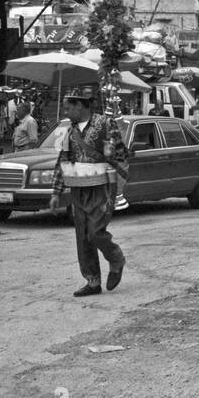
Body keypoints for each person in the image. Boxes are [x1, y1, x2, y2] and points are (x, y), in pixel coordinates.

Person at [49, 86, 127, 297]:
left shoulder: (105, 123)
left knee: (95, 233)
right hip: (78, 190)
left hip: (101, 188)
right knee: (83, 237)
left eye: (68, 108)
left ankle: (116, 257)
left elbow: (121, 154)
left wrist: (111, 159)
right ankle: (92, 281)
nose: (65, 112)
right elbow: (62, 161)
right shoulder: (69, 131)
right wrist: (56, 193)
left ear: (80, 105)